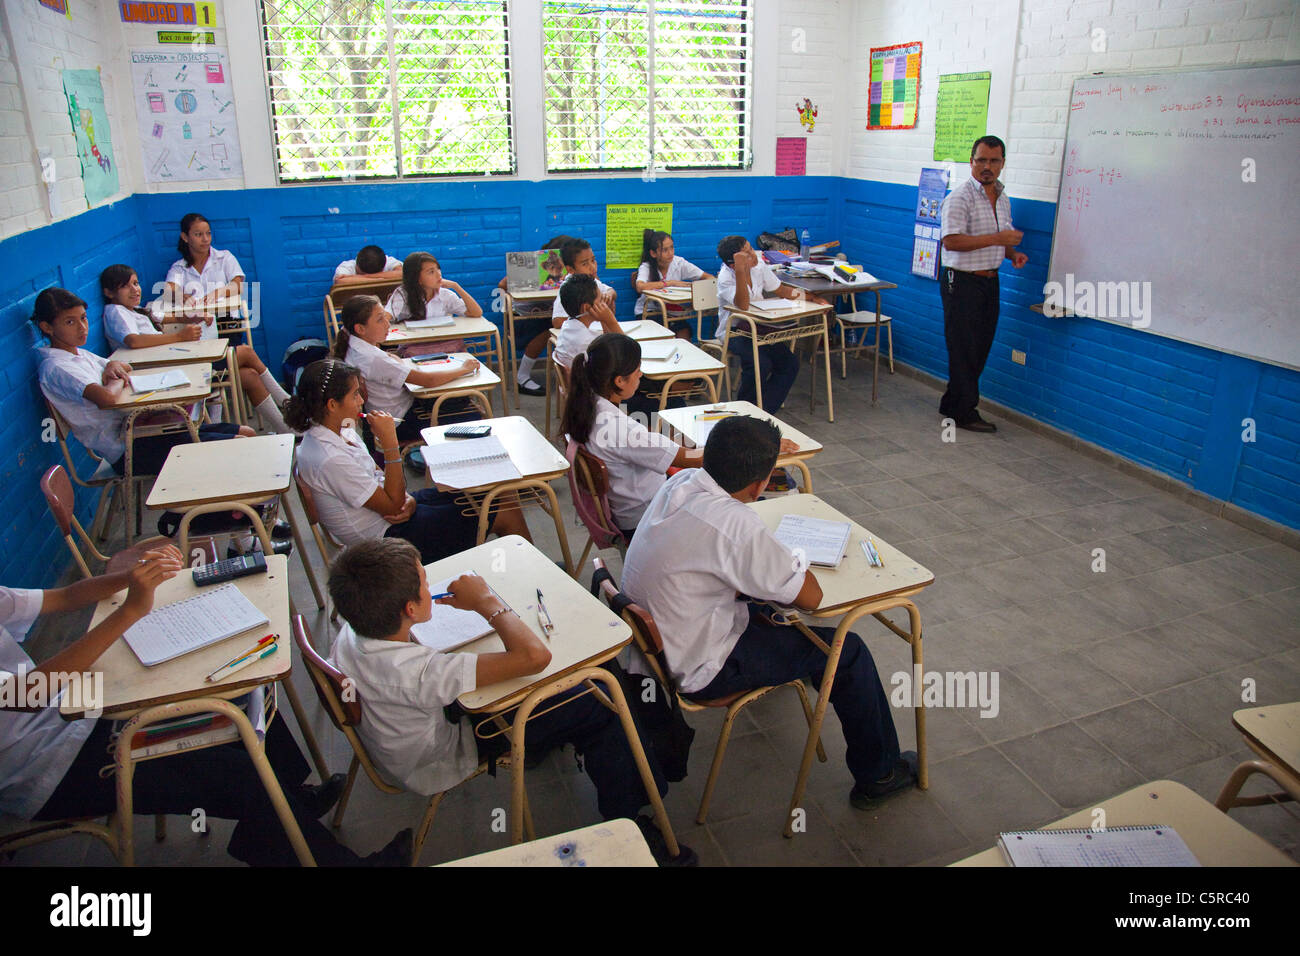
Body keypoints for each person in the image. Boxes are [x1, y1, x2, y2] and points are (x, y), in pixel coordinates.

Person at [1, 544, 410, 866]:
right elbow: (24, 695)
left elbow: (64, 597)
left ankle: (288, 802)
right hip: (46, 769)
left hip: (76, 710)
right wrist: (130, 610)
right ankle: (292, 834)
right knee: (238, 775)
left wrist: (135, 577)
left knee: (234, 690)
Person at [326, 537, 695, 865]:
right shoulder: (417, 673)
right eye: (425, 582)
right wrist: (489, 602)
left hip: (406, 734)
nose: (430, 582)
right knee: (598, 698)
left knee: (576, 689)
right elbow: (534, 658)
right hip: (443, 754)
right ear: (410, 609)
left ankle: (551, 747)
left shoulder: (351, 631)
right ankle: (627, 820)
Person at [622, 415, 918, 811]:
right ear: (761, 484)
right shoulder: (735, 524)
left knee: (769, 605)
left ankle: (802, 673)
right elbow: (812, 598)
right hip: (703, 666)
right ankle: (879, 773)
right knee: (848, 651)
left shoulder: (679, 483)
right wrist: (789, 556)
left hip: (659, 645)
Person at [286, 358, 530, 564]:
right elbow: (391, 507)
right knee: (503, 510)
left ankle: (529, 567)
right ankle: (534, 575)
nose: (361, 401)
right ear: (331, 405)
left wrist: (409, 499)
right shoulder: (328, 458)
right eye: (355, 395)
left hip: (387, 515)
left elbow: (379, 480)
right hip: (384, 540)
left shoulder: (341, 429)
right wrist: (390, 444)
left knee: (500, 493)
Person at [33, 287, 252, 477]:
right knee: (238, 445)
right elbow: (107, 398)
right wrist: (116, 376)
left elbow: (120, 364)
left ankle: (255, 514)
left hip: (144, 431)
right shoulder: (57, 368)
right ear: (47, 327)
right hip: (128, 451)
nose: (82, 327)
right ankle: (244, 517)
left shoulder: (79, 354)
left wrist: (114, 371)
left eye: (83, 318)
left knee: (246, 433)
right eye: (70, 322)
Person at [561, 333, 705, 538]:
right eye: (638, 371)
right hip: (647, 514)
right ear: (619, 380)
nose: (640, 375)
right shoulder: (621, 429)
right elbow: (693, 459)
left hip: (625, 506)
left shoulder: (587, 404)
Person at [163, 213, 293, 434]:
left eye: (208, 234)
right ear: (185, 237)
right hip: (198, 335)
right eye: (198, 234)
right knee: (245, 362)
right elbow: (169, 291)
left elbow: (237, 285)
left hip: (227, 324)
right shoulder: (179, 268)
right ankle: (287, 408)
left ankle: (284, 422)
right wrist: (185, 297)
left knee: (247, 372)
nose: (205, 239)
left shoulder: (224, 257)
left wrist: (219, 292)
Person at [938, 135, 1029, 433]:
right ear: (971, 161)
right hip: (961, 282)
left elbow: (1000, 238)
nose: (987, 167)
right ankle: (964, 412)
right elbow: (951, 241)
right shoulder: (959, 197)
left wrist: (1012, 253)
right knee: (964, 347)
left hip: (990, 280)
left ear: (1002, 163)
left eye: (994, 161)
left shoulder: (1003, 199)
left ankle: (953, 402)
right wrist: (998, 240)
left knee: (981, 345)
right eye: (981, 160)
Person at [332, 295, 481, 445]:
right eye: (379, 320)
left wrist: (396, 360)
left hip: (390, 413)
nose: (387, 324)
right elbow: (429, 380)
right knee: (473, 415)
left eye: (385, 317)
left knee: (460, 401)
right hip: (400, 422)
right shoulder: (373, 358)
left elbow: (393, 359)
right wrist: (463, 368)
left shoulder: (354, 344)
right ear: (360, 328)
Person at [715, 235, 827, 414]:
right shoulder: (726, 277)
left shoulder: (759, 266)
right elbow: (743, 305)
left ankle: (763, 411)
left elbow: (781, 290)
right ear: (733, 263)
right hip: (735, 332)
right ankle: (745, 408)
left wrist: (811, 298)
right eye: (747, 253)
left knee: (789, 363)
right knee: (760, 363)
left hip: (760, 328)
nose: (754, 254)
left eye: (751, 249)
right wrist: (741, 272)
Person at [504, 235, 575, 398]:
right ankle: (522, 377)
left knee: (572, 324)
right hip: (527, 316)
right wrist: (529, 283)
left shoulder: (570, 270)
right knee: (549, 329)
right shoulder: (535, 264)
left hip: (551, 314)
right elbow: (503, 285)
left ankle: (570, 372)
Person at [100, 264, 200, 352]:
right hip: (143, 361)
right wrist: (180, 336)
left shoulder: (135, 309)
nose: (135, 290)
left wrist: (195, 317)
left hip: (157, 352)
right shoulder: (116, 311)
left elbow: (174, 318)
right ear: (109, 293)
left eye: (135, 283)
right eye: (125, 286)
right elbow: (133, 341)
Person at [633, 229, 711, 337]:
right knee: (662, 333)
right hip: (650, 312)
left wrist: (698, 291)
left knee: (684, 331)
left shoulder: (679, 263)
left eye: (672, 247)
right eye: (665, 250)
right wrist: (670, 283)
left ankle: (684, 354)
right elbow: (640, 287)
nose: (670, 253)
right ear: (653, 253)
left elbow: (708, 278)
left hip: (672, 312)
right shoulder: (646, 266)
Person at [553, 274, 621, 371]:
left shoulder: (568, 325)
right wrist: (611, 321)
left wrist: (604, 320)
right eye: (601, 300)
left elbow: (609, 341)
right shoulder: (590, 343)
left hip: (577, 384)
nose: (604, 304)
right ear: (586, 308)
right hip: (594, 385)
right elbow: (627, 354)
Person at [550, 238, 617, 323]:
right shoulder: (568, 287)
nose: (592, 267)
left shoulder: (590, 281)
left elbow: (612, 291)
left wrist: (609, 294)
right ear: (570, 269)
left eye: (593, 260)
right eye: (584, 264)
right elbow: (556, 321)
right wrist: (591, 316)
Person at [333, 244, 403, 286]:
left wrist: (363, 277)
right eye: (362, 273)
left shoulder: (387, 261)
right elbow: (339, 281)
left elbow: (402, 274)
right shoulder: (347, 266)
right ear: (356, 264)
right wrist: (380, 279)